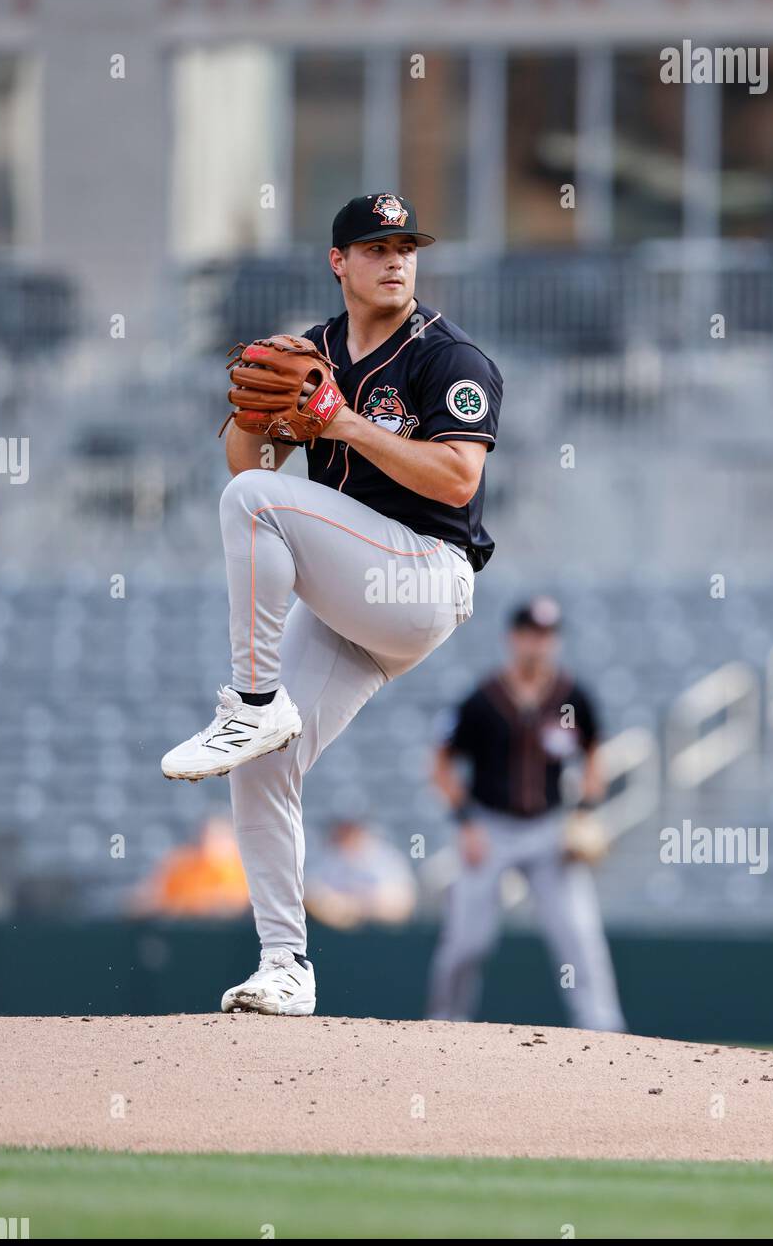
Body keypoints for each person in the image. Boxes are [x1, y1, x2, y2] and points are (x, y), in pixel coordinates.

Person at [161, 192, 503, 1016]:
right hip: (353, 598)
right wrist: (253, 408)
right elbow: (248, 460)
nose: (395, 259)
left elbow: (458, 478)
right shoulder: (309, 351)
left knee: (254, 505)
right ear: (338, 262)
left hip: (424, 576)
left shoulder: (448, 356)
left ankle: (250, 699)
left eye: (407, 245)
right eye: (376, 245)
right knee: (261, 769)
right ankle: (285, 965)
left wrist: (340, 423)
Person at [426, 596, 627, 1031]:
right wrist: (466, 823)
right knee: (466, 941)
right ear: (513, 638)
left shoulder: (572, 698)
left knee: (580, 937)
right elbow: (440, 765)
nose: (539, 644)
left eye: (548, 635)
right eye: (531, 634)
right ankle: (443, 1024)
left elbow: (595, 754)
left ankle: (605, 1033)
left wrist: (586, 813)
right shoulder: (482, 699)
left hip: (549, 830)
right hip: (490, 827)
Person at [304, 819, 417, 929]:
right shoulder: (327, 858)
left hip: (380, 936)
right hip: (331, 934)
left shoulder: (386, 858)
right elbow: (309, 894)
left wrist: (359, 906)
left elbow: (404, 903)